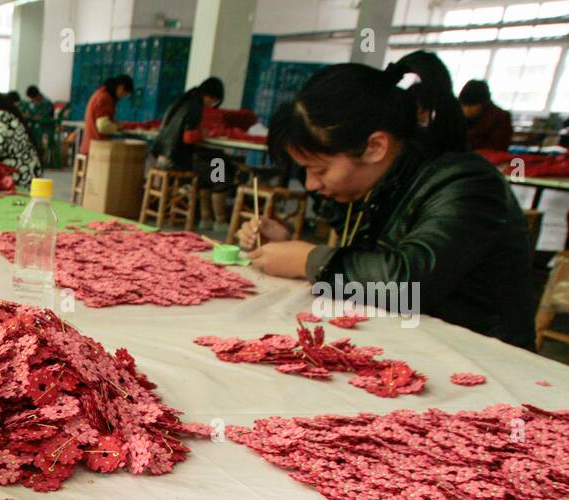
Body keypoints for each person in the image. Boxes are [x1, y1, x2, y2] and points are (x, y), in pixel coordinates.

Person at [240, 57, 534, 349]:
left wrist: (309, 260)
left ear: (375, 147)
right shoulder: (382, 182)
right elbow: (369, 265)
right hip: (410, 339)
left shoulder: (467, 185)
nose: (311, 184)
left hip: (483, 356)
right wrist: (290, 246)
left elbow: (408, 286)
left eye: (320, 169)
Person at [150, 77, 231, 229]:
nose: (212, 105)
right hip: (178, 161)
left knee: (206, 175)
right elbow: (188, 137)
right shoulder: (195, 107)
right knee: (219, 170)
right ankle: (220, 222)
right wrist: (203, 134)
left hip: (163, 157)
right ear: (211, 97)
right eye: (213, 101)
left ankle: (206, 219)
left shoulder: (181, 102)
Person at [81, 74, 133, 156]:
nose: (122, 97)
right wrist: (117, 127)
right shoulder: (105, 97)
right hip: (96, 149)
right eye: (124, 94)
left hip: (90, 146)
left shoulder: (100, 93)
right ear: (121, 87)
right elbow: (103, 126)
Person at [459, 79, 514, 152]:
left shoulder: (500, 118)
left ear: (484, 103)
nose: (467, 109)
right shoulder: (456, 114)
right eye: (464, 105)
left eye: (473, 105)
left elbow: (498, 147)